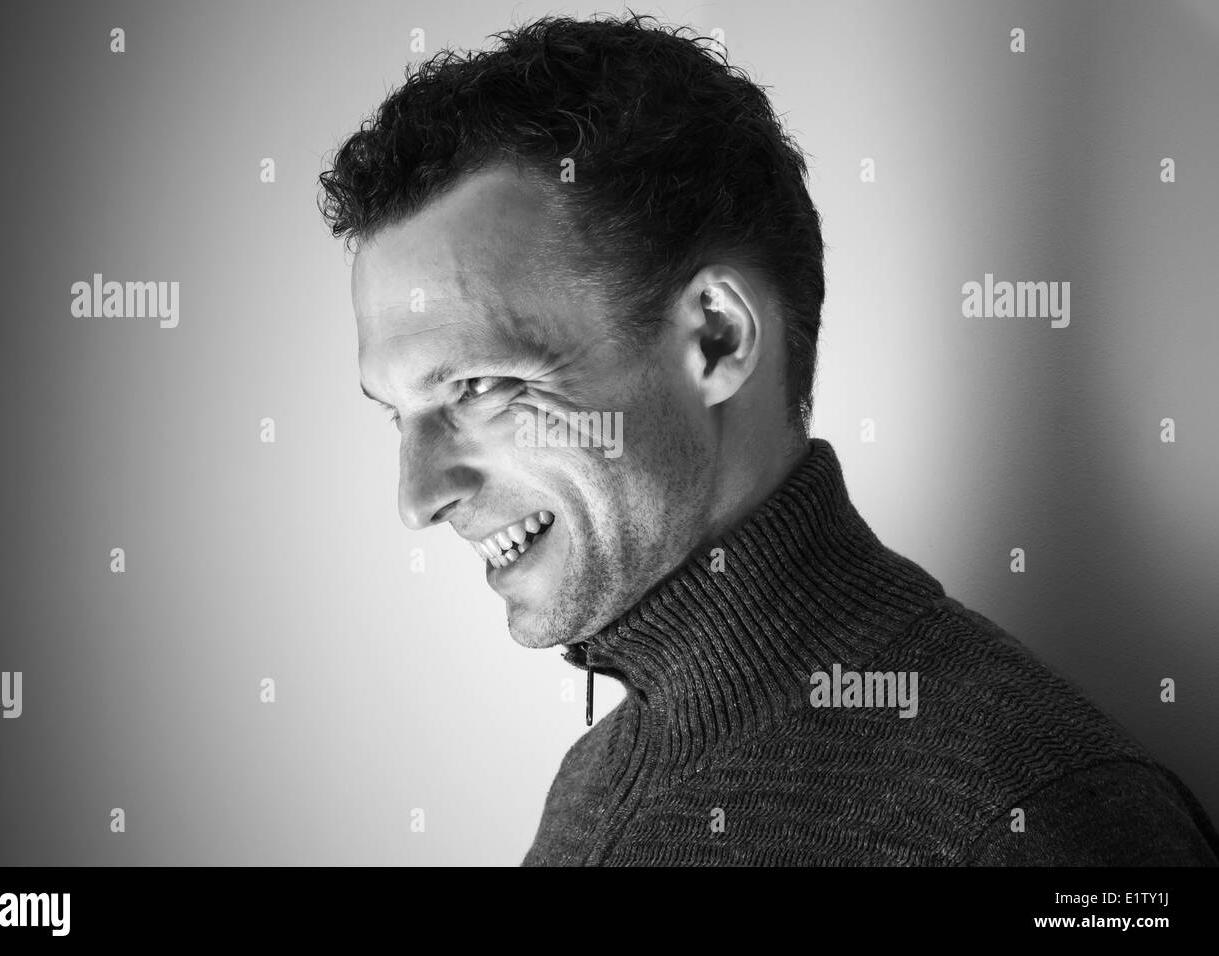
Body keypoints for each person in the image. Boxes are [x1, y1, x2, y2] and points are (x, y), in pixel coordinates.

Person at [319, 13, 1219, 865]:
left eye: (476, 386)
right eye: (399, 414)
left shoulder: (1037, 814)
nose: (417, 496)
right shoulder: (596, 778)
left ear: (717, 338)